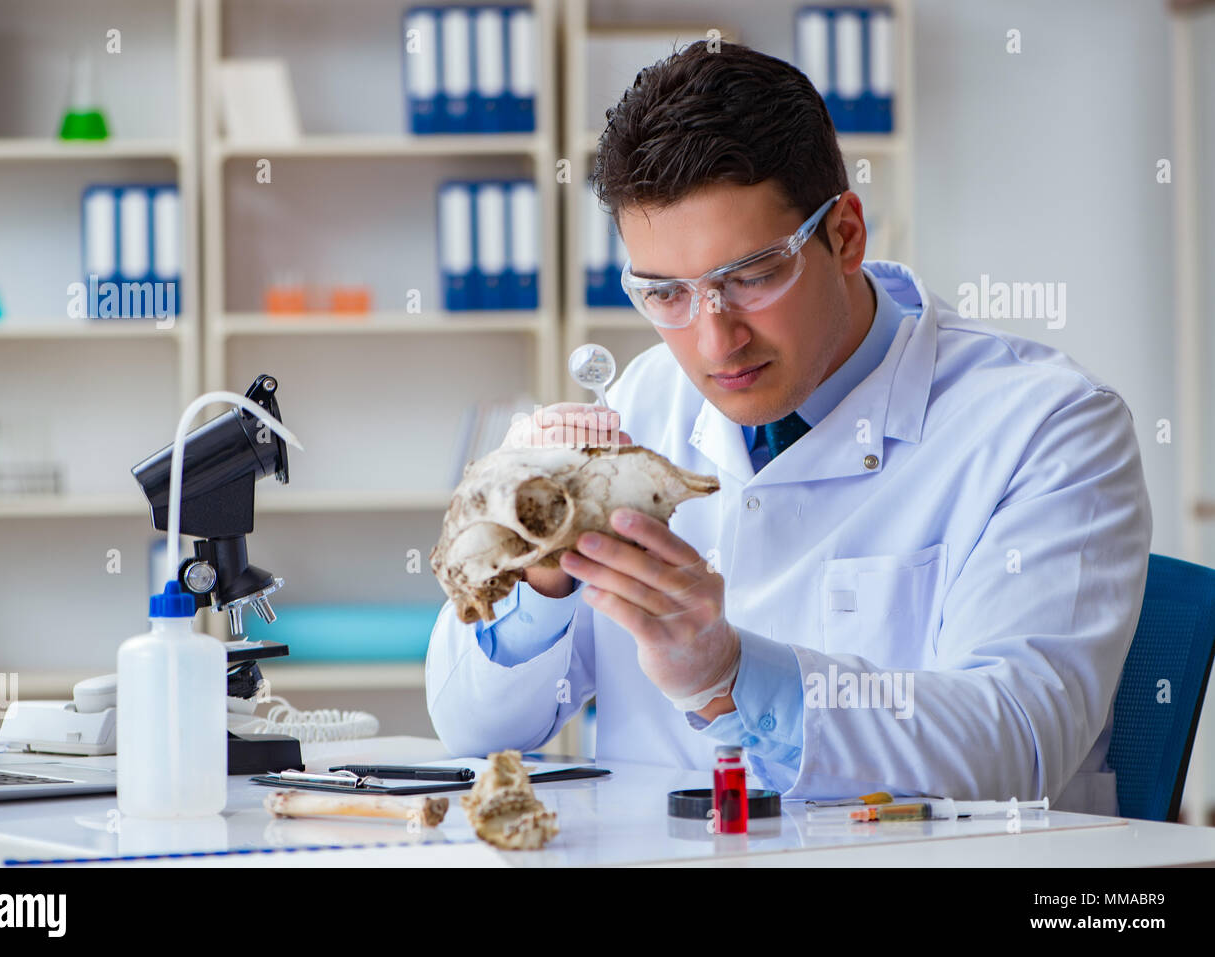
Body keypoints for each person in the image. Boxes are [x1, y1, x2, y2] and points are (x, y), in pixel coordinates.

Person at [426, 41, 1151, 814]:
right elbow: (474, 729)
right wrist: (540, 570)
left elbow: (1020, 745)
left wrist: (733, 676)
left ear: (846, 234)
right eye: (666, 294)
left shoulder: (1049, 425)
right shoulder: (641, 405)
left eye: (751, 276)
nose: (715, 342)